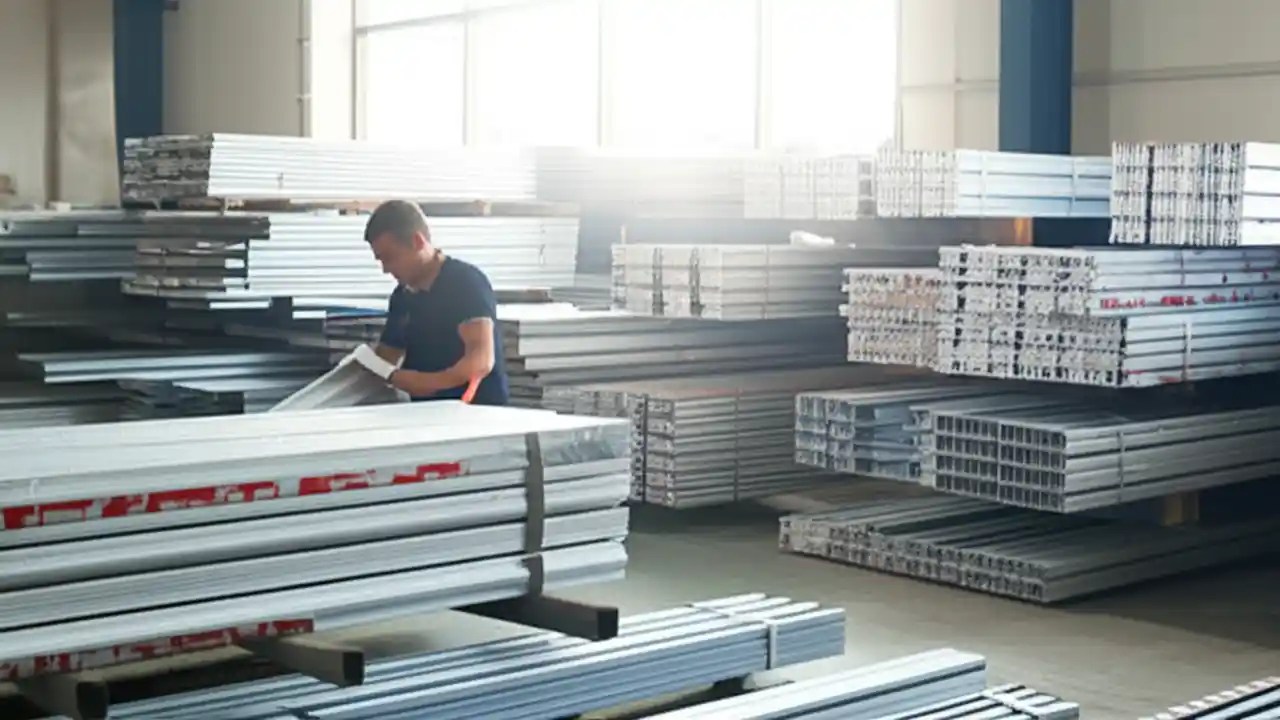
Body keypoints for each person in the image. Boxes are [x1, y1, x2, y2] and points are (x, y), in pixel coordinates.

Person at [356, 199, 509, 406]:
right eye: (381, 260)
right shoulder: (402, 297)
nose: (385, 269)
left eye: (390, 258)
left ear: (418, 242)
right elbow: (385, 359)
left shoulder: (465, 283)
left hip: (476, 416)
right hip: (425, 416)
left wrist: (425, 383)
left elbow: (480, 361)